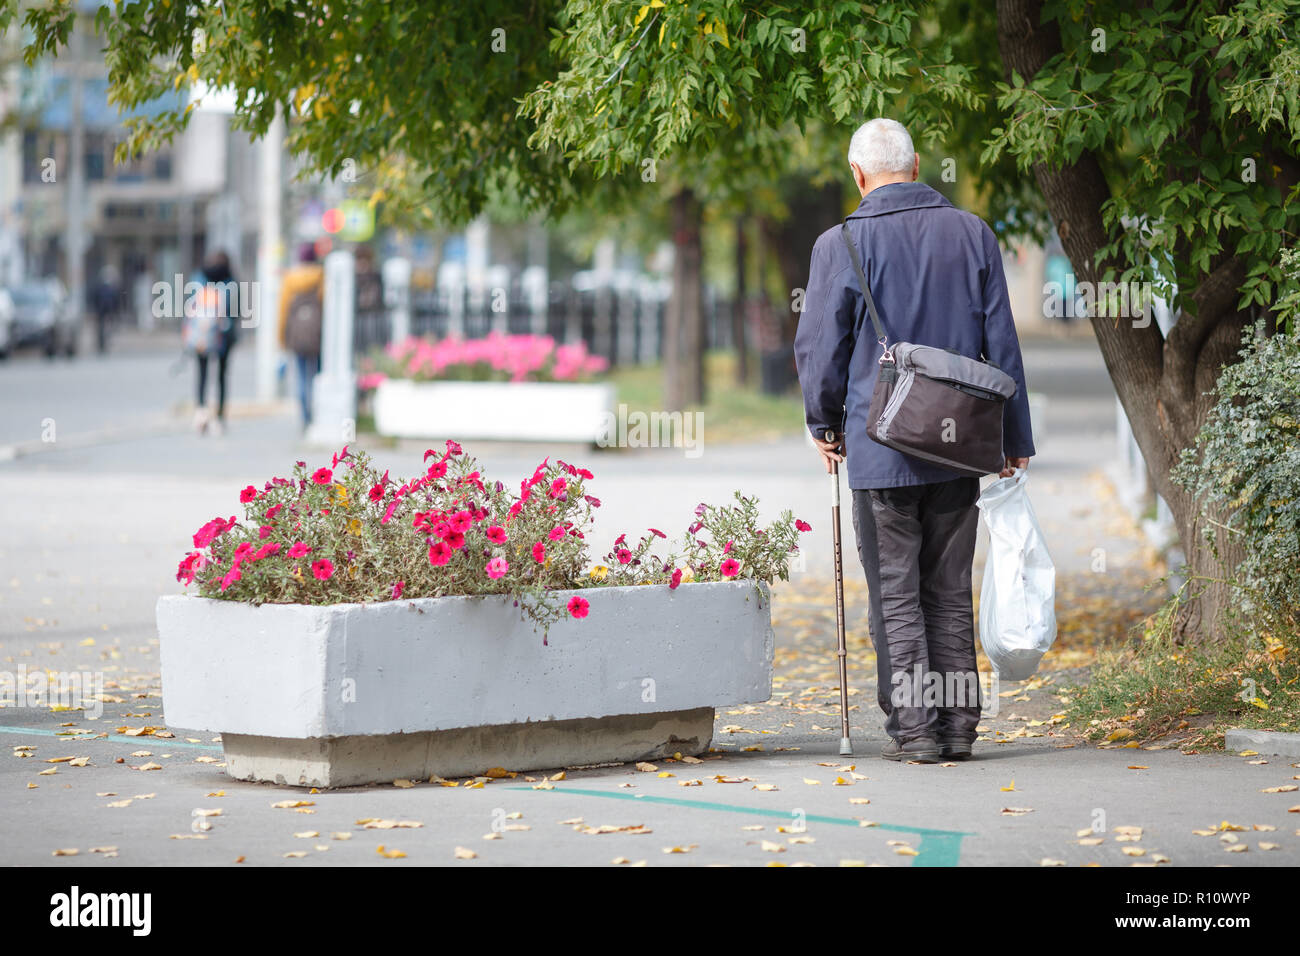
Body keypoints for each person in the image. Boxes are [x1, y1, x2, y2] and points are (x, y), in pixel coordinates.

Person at [794, 118, 1036, 764]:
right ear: (918, 163)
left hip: (880, 448)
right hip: (962, 444)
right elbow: (1002, 343)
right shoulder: (972, 233)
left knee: (897, 593)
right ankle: (959, 727)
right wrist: (1014, 438)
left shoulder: (839, 244)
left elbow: (821, 350)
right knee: (950, 590)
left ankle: (918, 730)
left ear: (858, 174)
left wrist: (823, 425)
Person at [185, 251, 240, 436]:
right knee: (221, 377)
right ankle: (220, 416)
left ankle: (200, 412)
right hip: (224, 336)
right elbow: (236, 310)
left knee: (202, 374)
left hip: (202, 335)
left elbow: (189, 308)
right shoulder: (230, 282)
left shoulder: (198, 278)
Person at [277, 245, 325, 429]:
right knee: (318, 374)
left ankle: (305, 416)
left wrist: (282, 338)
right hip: (318, 334)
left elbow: (283, 312)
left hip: (297, 335)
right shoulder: (322, 277)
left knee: (302, 376)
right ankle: (319, 412)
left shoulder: (290, 279)